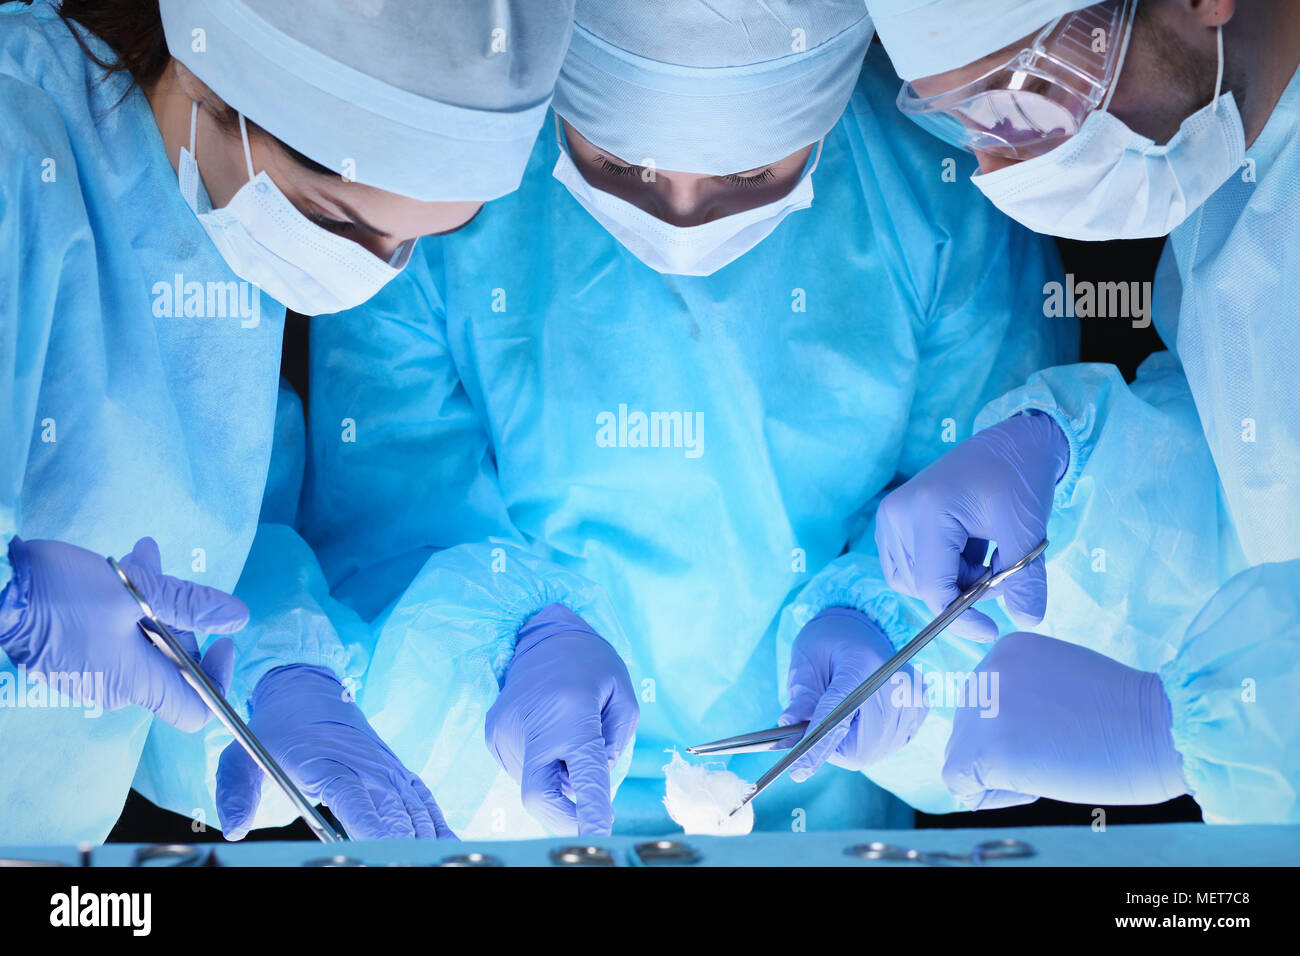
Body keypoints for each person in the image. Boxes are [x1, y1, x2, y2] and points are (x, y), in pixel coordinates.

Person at [294, 0, 1076, 838]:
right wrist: (514, 639)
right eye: (620, 165)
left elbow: (1004, 530)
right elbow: (385, 531)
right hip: (502, 792)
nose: (681, 217)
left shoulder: (938, 191)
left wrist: (888, 627)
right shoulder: (432, 180)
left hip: (832, 816)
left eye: (748, 176)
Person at [0, 0, 572, 843]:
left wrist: (284, 674)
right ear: (208, 71)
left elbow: (207, 543)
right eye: (337, 220)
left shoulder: (222, 216)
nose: (361, 276)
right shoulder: (19, 153)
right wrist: (15, 612)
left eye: (405, 245)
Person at [852, 0, 1300, 820]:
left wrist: (1222, 730)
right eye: (962, 125)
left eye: (1018, 99)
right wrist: (1069, 463)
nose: (996, 169)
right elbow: (1251, 505)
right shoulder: (1243, 173)